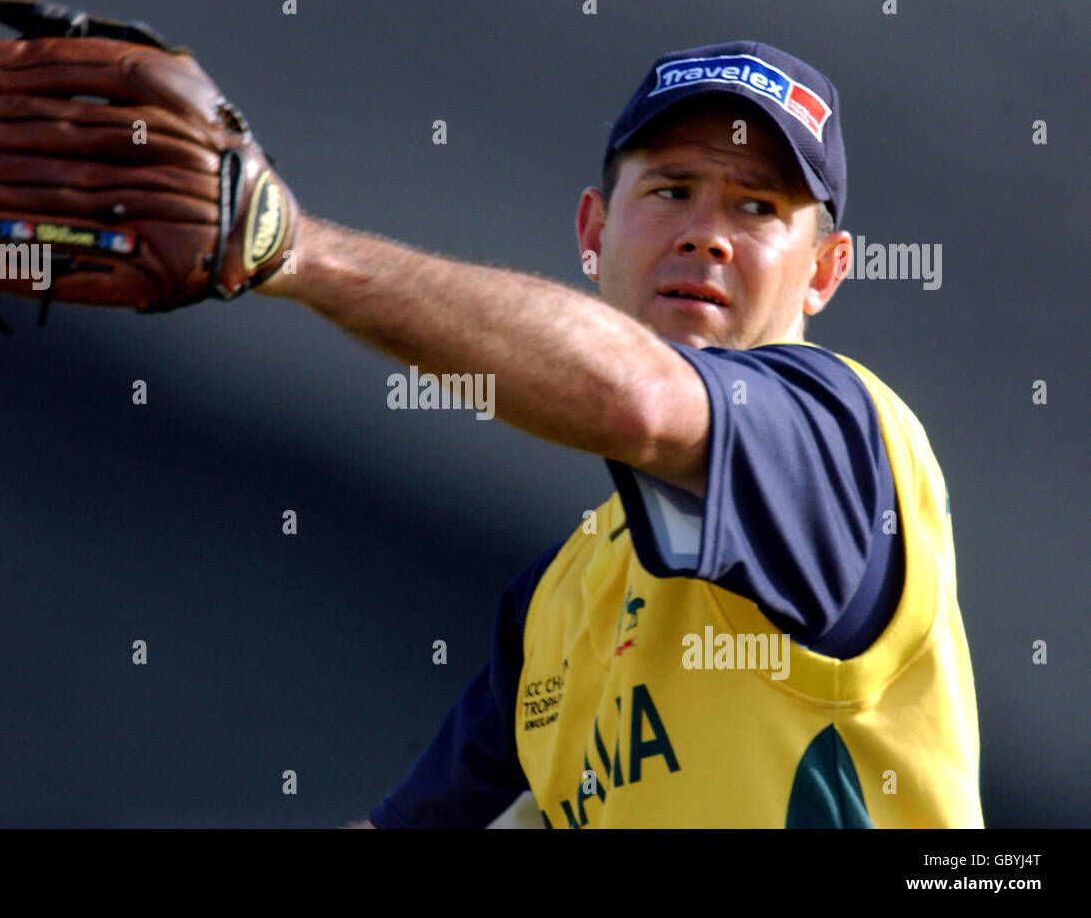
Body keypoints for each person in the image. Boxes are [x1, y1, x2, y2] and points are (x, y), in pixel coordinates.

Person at [255, 41, 983, 828]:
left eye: (758, 207)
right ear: (591, 230)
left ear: (823, 271)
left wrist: (297, 253)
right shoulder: (556, 602)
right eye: (672, 190)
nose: (707, 234)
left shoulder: (838, 436)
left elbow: (638, 400)